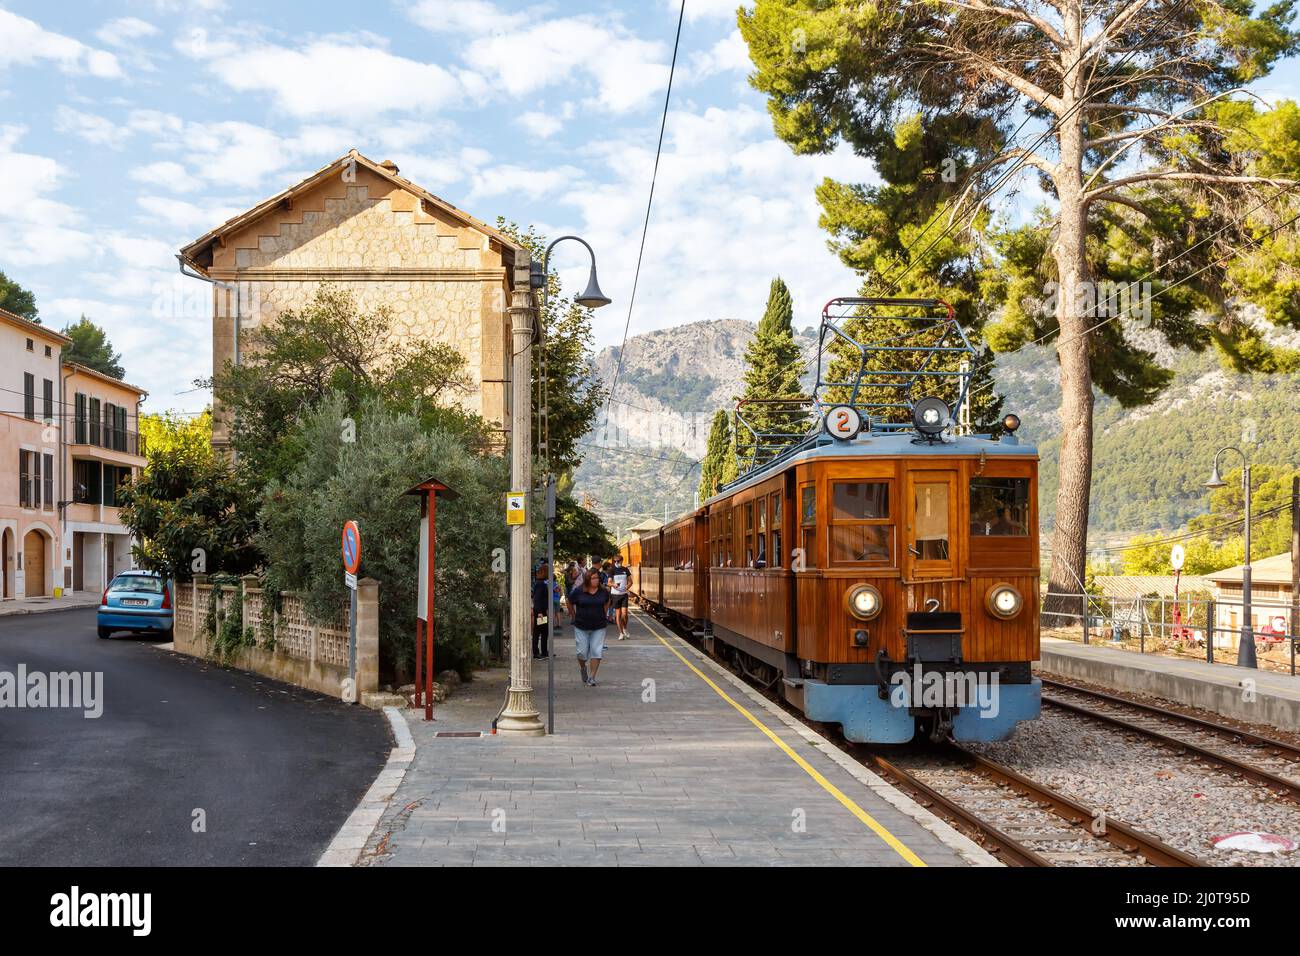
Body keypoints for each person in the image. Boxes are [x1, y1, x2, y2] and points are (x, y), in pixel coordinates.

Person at [568, 568, 610, 686]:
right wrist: (573, 615)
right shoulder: (579, 591)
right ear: (587, 579)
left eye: (597, 578)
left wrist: (604, 612)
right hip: (581, 626)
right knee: (581, 653)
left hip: (599, 626)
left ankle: (592, 677)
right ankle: (583, 668)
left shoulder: (603, 591)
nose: (596, 580)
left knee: (597, 652)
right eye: (593, 578)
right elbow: (569, 601)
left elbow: (607, 601)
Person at [608, 554, 632, 640]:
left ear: (622, 561)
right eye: (615, 561)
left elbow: (630, 581)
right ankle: (621, 633)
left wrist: (627, 587)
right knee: (618, 615)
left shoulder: (625, 569)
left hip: (624, 594)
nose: (616, 562)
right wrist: (614, 585)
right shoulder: (611, 570)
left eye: (618, 561)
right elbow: (609, 582)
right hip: (615, 594)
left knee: (624, 614)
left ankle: (625, 628)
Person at [531, 564, 550, 660]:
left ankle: (543, 651)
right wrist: (539, 612)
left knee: (543, 631)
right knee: (539, 631)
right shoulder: (541, 584)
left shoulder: (540, 583)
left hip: (541, 611)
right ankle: (537, 652)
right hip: (540, 611)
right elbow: (537, 599)